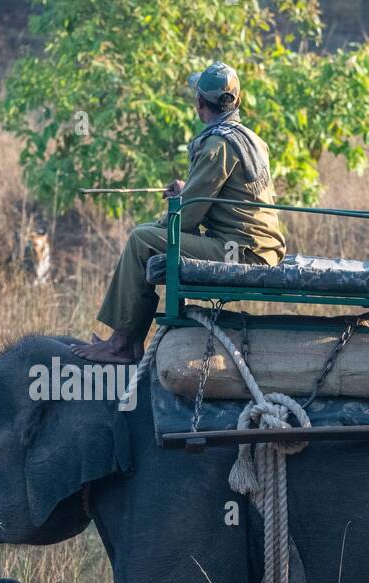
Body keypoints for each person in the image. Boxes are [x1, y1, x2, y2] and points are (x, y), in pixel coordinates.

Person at [73, 61, 286, 364]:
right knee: (150, 235)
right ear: (236, 101)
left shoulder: (217, 146)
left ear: (200, 104)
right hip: (262, 248)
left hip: (242, 253)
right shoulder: (250, 138)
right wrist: (189, 189)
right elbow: (226, 191)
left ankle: (122, 344)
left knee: (141, 239)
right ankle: (128, 341)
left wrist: (164, 220)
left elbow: (187, 218)